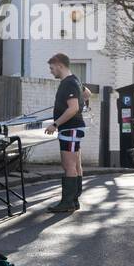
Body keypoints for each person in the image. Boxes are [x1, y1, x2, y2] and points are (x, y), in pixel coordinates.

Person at [44, 53, 86, 212]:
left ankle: (68, 202)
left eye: (52, 67)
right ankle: (74, 200)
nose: (51, 71)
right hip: (74, 128)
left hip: (70, 129)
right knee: (75, 165)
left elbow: (73, 108)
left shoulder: (68, 83)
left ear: (60, 65)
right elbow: (86, 93)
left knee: (68, 165)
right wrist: (83, 103)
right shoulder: (75, 79)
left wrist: (55, 124)